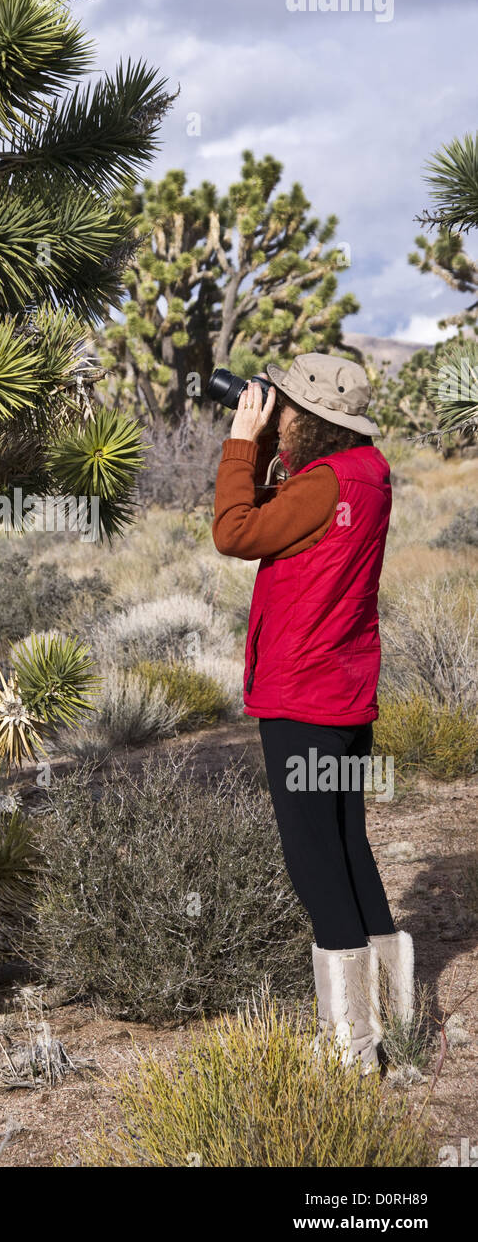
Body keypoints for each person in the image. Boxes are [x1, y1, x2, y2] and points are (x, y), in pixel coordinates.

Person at [212, 353, 414, 1073]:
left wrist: (242, 441)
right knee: (348, 846)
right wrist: (272, 448)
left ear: (315, 418)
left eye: (286, 405)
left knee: (314, 859)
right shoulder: (367, 473)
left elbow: (236, 531)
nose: (277, 411)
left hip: (302, 693)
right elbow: (288, 515)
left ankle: (355, 1049)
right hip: (344, 691)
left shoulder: (324, 483)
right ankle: (398, 1017)